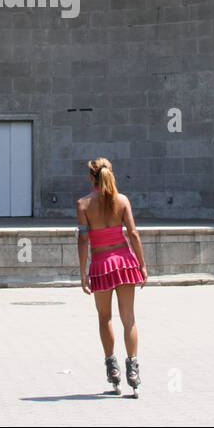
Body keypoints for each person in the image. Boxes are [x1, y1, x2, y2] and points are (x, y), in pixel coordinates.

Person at [77, 157, 147, 393]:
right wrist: (142, 264)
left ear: (90, 178)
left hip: (100, 265)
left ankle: (113, 368)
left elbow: (83, 239)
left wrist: (82, 272)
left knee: (104, 318)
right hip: (125, 262)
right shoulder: (123, 200)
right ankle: (133, 369)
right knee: (129, 318)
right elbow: (134, 234)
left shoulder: (84, 204)